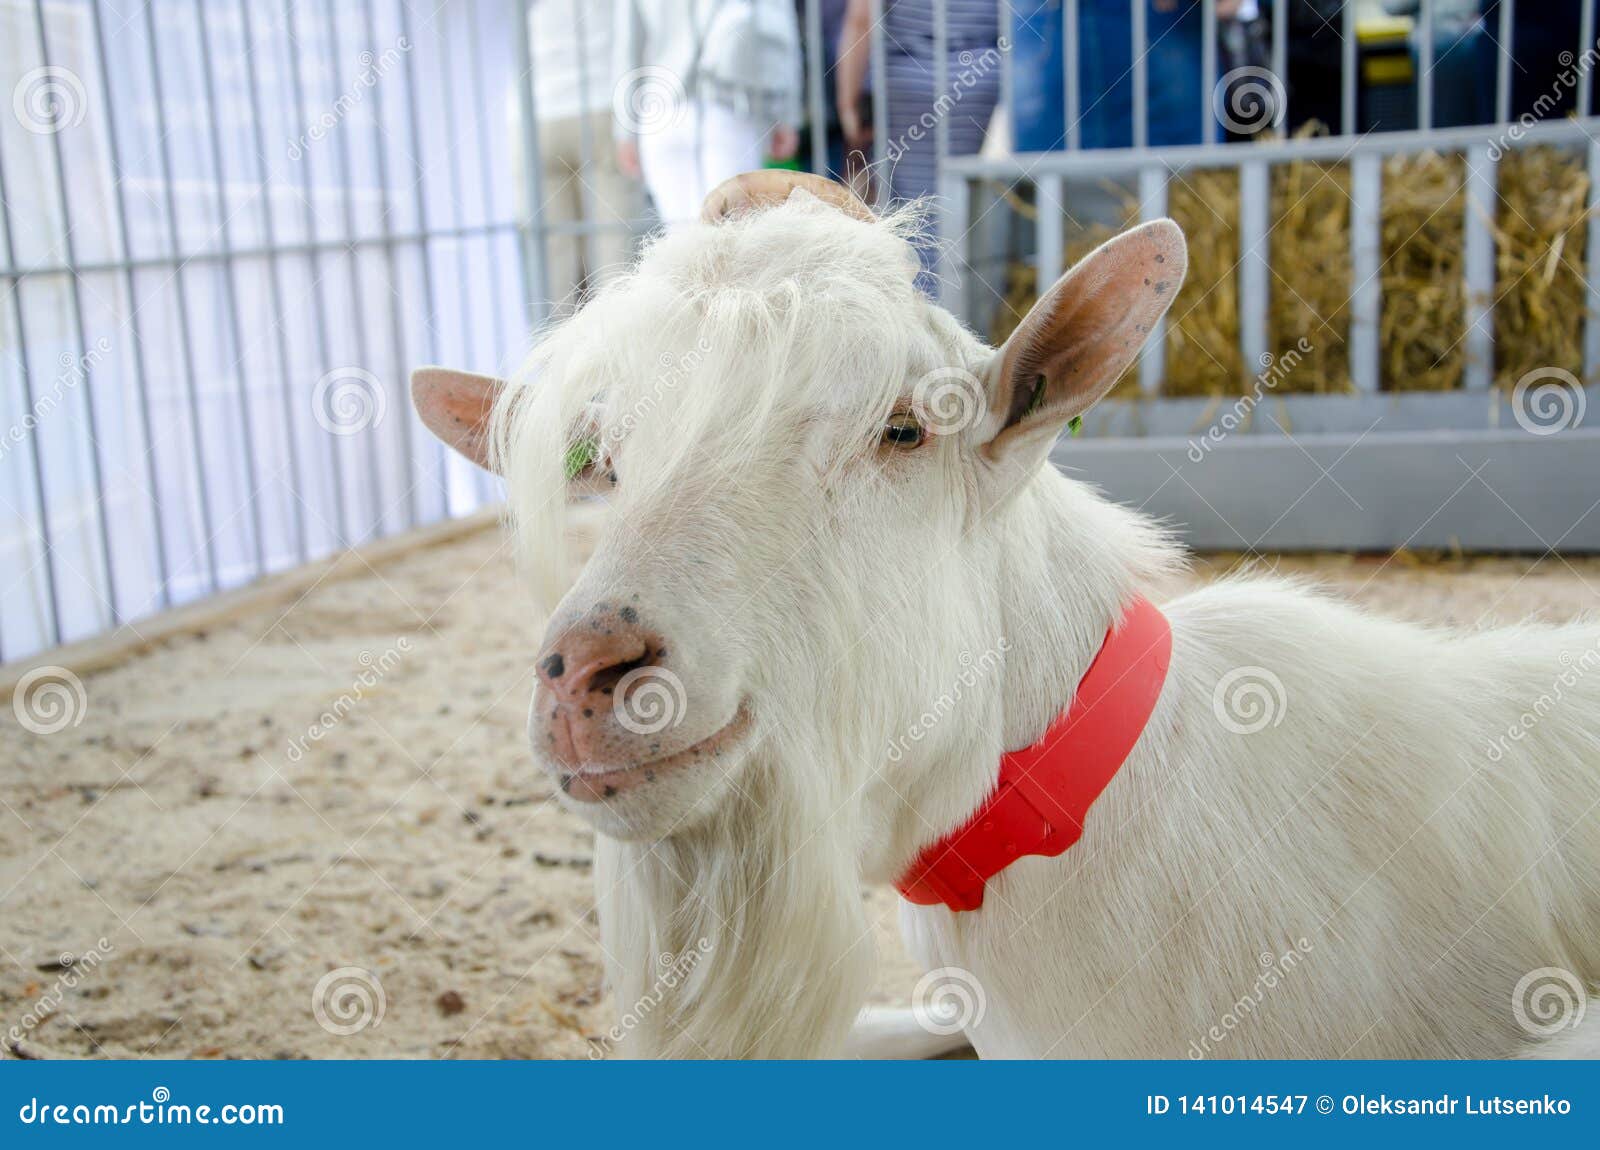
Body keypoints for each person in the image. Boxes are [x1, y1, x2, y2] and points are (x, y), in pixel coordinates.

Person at [835, 0, 1000, 290]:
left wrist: (848, 101)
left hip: (910, 81)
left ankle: (929, 312)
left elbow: (861, 17)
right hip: (981, 75)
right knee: (971, 210)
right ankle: (976, 311)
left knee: (919, 217)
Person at [613, 0, 803, 224]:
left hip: (661, 108)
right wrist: (785, 115)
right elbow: (777, 29)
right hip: (728, 103)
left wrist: (624, 128)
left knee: (681, 238)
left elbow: (628, 44)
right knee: (729, 233)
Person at [527, 1, 643, 306]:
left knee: (553, 281)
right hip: (603, 104)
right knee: (616, 270)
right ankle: (617, 351)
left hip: (531, 115)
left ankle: (555, 353)